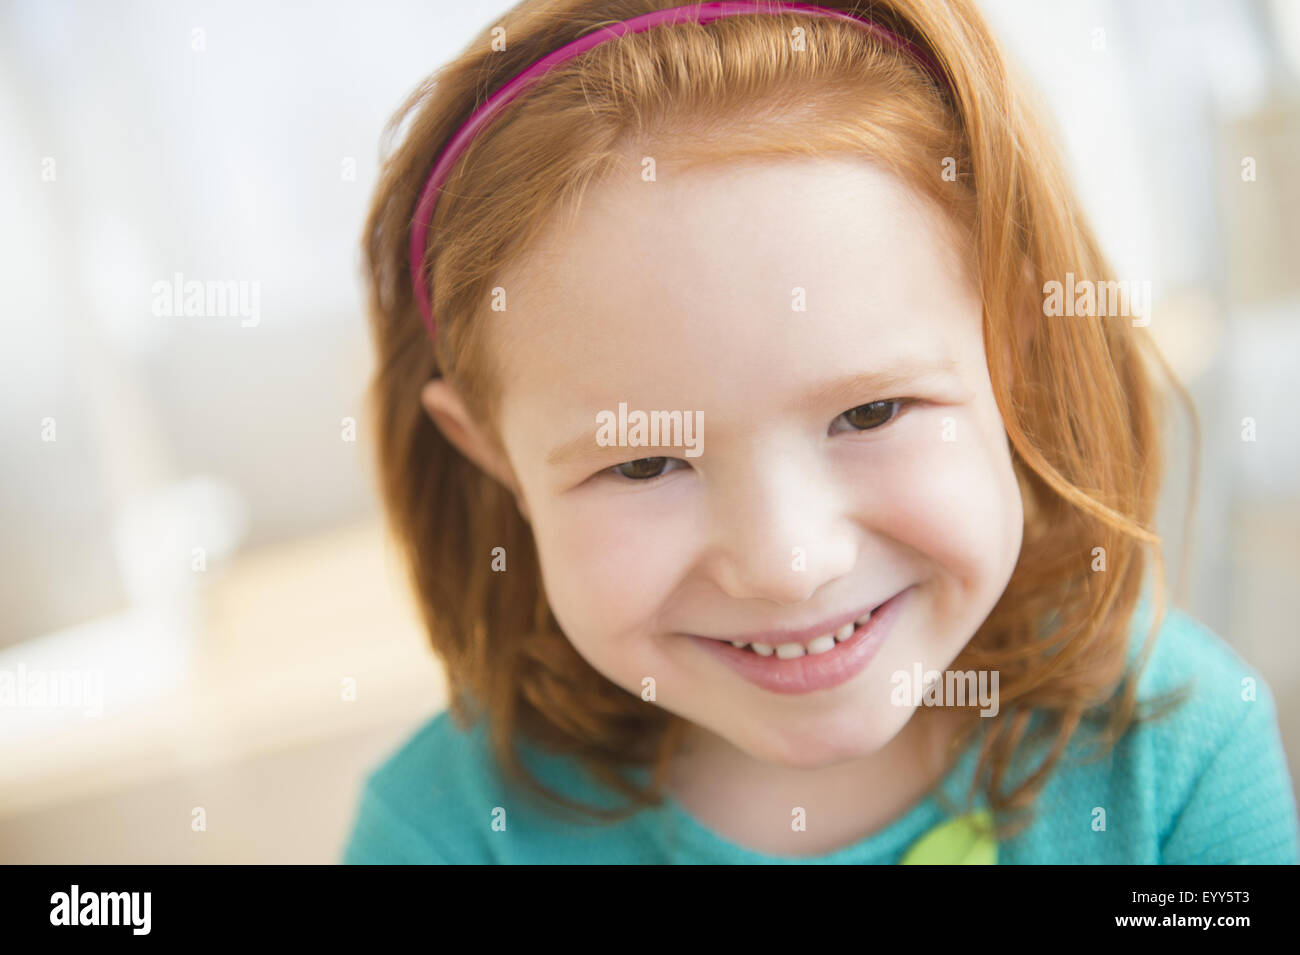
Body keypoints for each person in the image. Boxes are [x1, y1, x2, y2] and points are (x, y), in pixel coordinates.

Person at [341, 0, 1298, 863]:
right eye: (642, 461)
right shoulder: (442, 835)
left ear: (1017, 359)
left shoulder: (1176, 757)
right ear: (491, 456)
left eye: (871, 412)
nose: (786, 563)